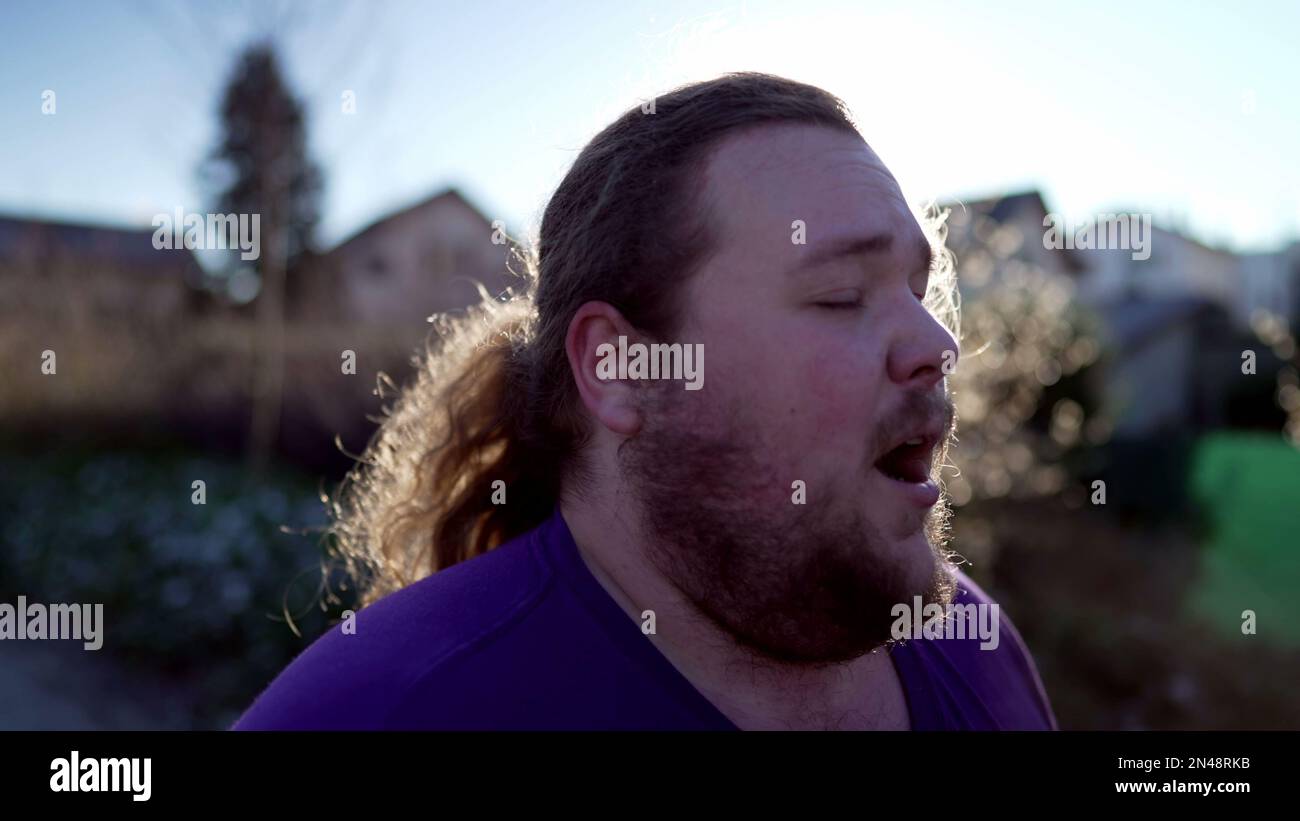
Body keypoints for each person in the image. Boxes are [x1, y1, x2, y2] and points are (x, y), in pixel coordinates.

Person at [235, 72, 1056, 731]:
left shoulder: (976, 651)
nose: (937, 347)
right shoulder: (377, 709)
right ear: (622, 365)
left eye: (919, 290)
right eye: (841, 294)